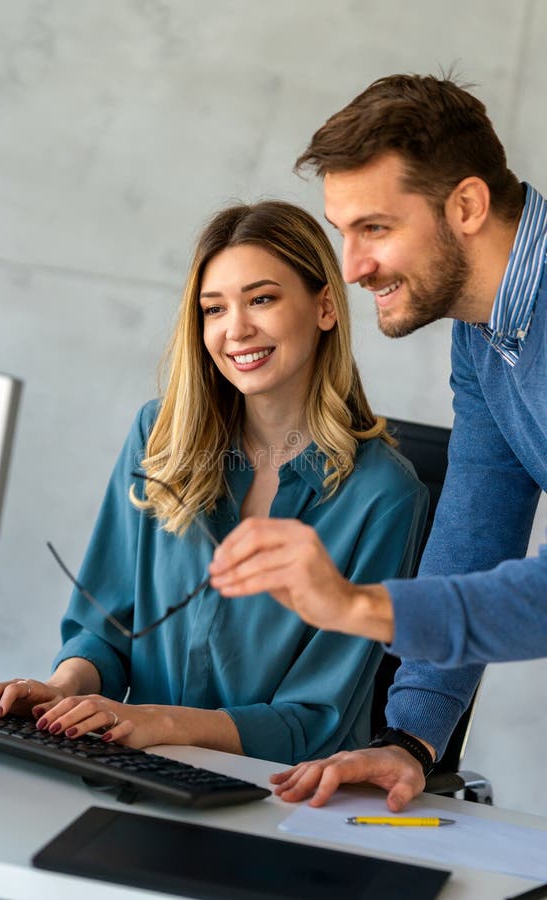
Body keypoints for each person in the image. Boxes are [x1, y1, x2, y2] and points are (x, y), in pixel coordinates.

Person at [0, 200, 427, 764]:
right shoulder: (157, 437)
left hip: (278, 798)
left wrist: (155, 721)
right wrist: (64, 690)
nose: (236, 329)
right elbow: (106, 628)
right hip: (133, 769)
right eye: (214, 309)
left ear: (325, 306)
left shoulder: (384, 495)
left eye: (262, 299)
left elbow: (315, 721)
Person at [208, 73, 547, 807]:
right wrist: (409, 739)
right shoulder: (484, 333)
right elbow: (474, 531)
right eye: (343, 232)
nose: (352, 266)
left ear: (466, 205)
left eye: (375, 229)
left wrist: (358, 606)